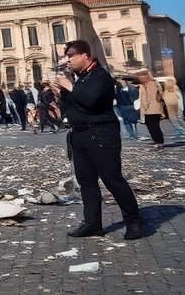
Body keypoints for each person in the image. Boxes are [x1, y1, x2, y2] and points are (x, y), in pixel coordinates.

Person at [51, 40, 142, 240]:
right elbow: (71, 110)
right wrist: (61, 93)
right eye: (66, 57)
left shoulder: (100, 75)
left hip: (101, 134)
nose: (67, 61)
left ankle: (133, 220)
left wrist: (69, 86)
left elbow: (90, 100)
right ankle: (93, 223)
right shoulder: (80, 79)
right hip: (80, 135)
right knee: (87, 182)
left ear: (85, 56)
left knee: (113, 179)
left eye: (70, 56)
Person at [135, 71, 169, 149]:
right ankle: (158, 141)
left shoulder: (150, 84)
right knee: (152, 126)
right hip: (152, 108)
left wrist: (145, 107)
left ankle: (159, 142)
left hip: (151, 109)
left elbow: (149, 97)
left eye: (140, 76)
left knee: (153, 126)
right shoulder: (149, 84)